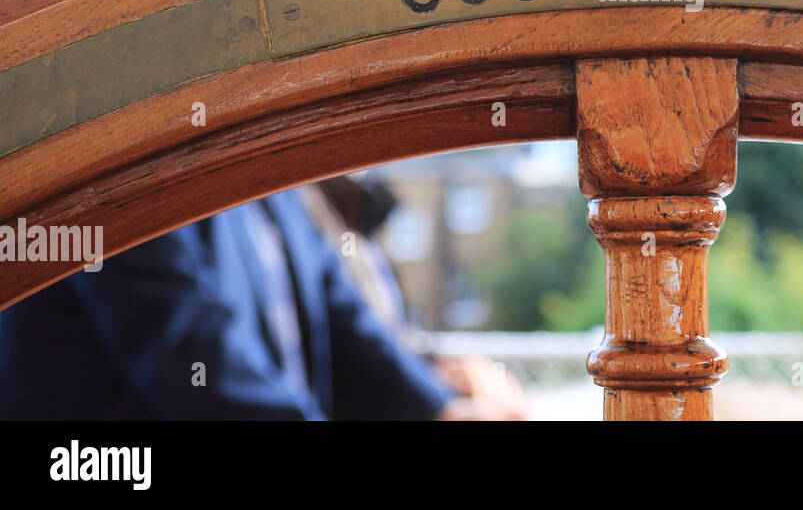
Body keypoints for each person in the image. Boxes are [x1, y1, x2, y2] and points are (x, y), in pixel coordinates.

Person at [0, 187, 525, 420]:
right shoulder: (123, 159)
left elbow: (341, 317)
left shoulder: (265, 169)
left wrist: (443, 409)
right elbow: (195, 358)